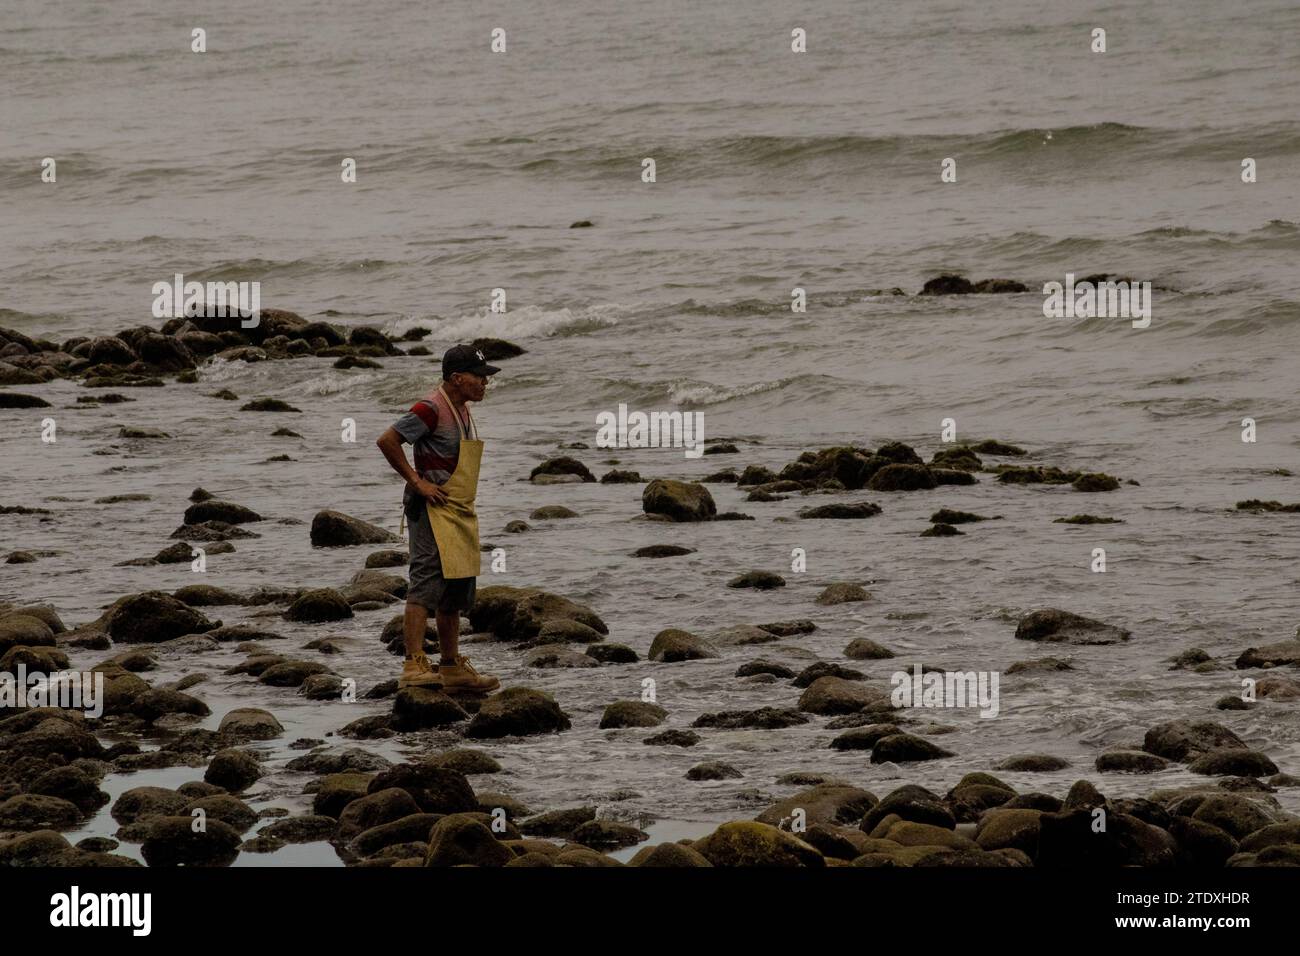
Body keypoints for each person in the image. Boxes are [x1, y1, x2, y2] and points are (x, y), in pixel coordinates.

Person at [376, 344, 502, 692]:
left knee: (456, 586)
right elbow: (388, 440)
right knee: (426, 583)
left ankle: (451, 667)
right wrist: (417, 483)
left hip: (459, 510)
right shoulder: (430, 408)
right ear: (456, 378)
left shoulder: (463, 410)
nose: (484, 383)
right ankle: (413, 665)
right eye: (479, 377)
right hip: (431, 510)